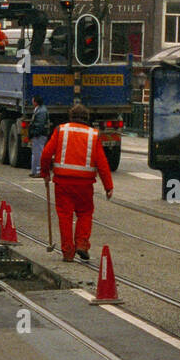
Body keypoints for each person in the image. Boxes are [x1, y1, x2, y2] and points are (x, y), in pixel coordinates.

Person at [40, 102, 113, 262]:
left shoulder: (61, 130)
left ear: (71, 116)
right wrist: (108, 186)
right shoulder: (93, 135)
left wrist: (45, 173)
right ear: (87, 118)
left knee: (65, 216)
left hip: (63, 183)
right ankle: (82, 244)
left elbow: (46, 154)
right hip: (85, 185)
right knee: (85, 213)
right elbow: (102, 163)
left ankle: (67, 252)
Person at [28, 94, 50, 178]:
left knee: (38, 153)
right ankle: (34, 171)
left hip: (39, 135)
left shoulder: (41, 111)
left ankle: (39, 170)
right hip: (37, 135)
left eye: (33, 100)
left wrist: (35, 133)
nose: (32, 102)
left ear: (36, 102)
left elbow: (40, 125)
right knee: (35, 153)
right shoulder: (39, 110)